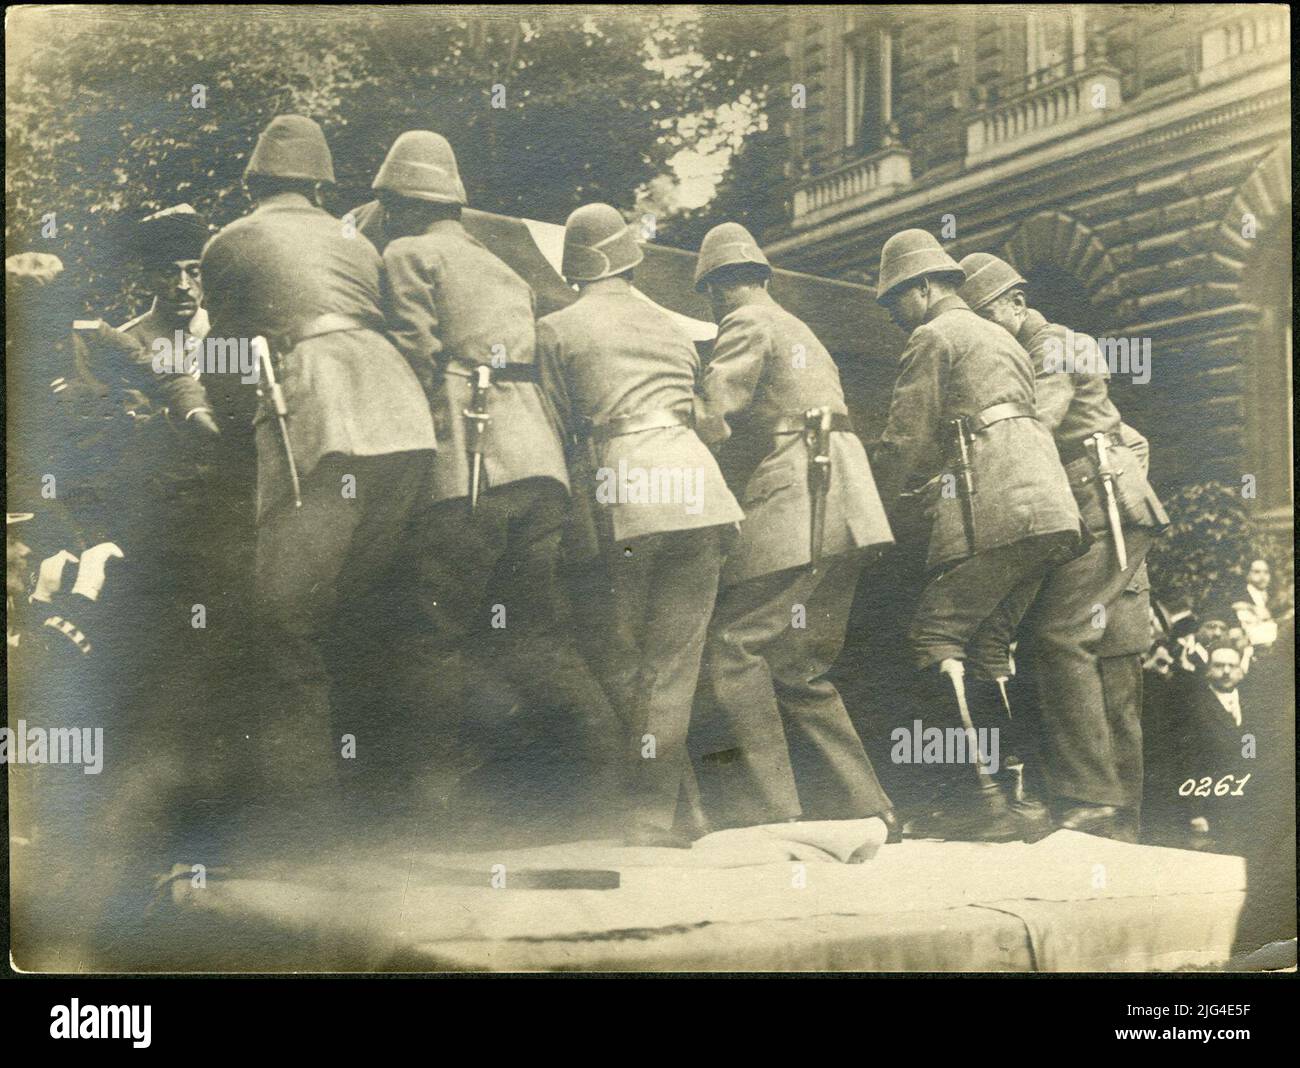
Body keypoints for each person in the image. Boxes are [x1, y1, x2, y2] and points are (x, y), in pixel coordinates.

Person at [200, 115, 439, 838]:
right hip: (403, 417)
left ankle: (302, 827)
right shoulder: (355, 240)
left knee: (282, 622)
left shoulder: (231, 241)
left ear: (252, 180)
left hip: (322, 413)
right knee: (351, 611)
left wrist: (237, 434)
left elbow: (226, 357)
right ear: (319, 182)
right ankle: (389, 809)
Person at [375, 130, 624, 819]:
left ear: (398, 202)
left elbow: (415, 359)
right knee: (540, 635)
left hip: (467, 465)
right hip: (538, 467)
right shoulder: (504, 269)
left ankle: (431, 811)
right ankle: (607, 787)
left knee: (432, 636)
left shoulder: (406, 252)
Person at [536, 203, 744, 847]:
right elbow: (711, 418)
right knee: (674, 664)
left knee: (621, 657)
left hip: (627, 492)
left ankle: (654, 813)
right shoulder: (674, 328)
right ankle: (679, 809)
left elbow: (557, 425)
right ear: (631, 258)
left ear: (576, 266)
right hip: (700, 489)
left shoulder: (556, 329)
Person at [872, 230, 1082, 841]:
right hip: (1049, 509)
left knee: (935, 637)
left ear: (925, 288)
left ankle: (983, 801)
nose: (892, 315)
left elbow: (905, 439)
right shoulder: (1003, 336)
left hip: (999, 507)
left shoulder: (934, 335)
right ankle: (1024, 801)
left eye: (894, 301)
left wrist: (878, 506)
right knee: (991, 646)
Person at [690, 222, 895, 842]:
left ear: (719, 286)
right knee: (799, 663)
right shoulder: (801, 327)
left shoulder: (747, 322)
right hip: (849, 502)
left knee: (734, 643)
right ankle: (870, 806)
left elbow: (712, 413)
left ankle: (775, 809)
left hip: (802, 497)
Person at [958, 252, 1169, 840]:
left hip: (1094, 501)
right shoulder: (1066, 344)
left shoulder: (1049, 349)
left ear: (1017, 304)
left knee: (1058, 636)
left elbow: (1039, 424)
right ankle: (1121, 819)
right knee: (1114, 657)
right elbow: (1132, 435)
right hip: (1113, 502)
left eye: (985, 314)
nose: (980, 328)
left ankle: (1090, 799)